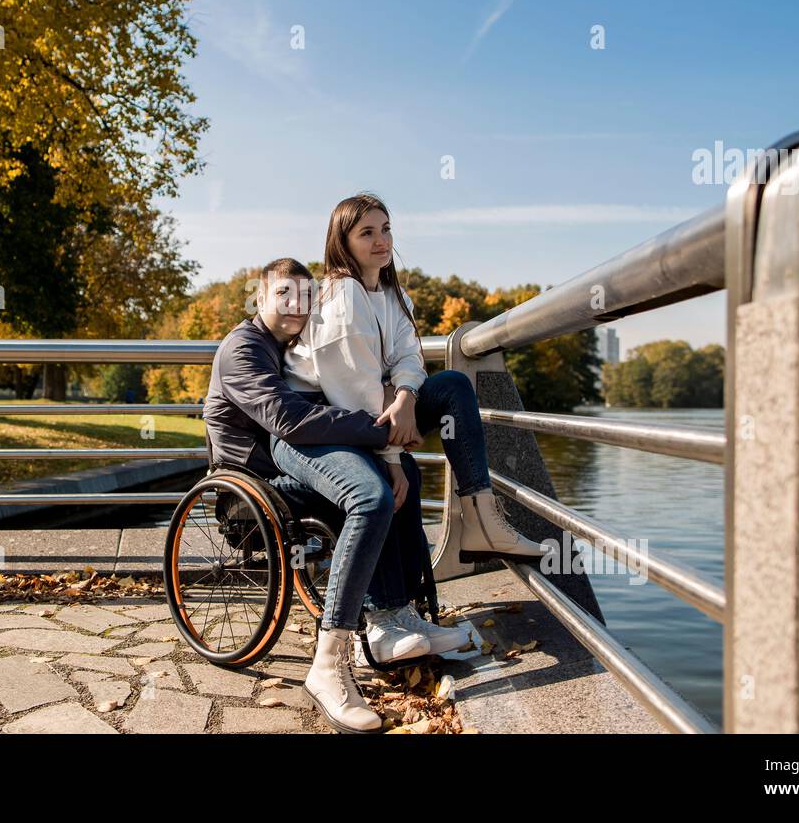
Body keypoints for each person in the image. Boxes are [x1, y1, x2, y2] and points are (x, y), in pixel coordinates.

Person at [276, 193, 549, 652]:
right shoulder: (339, 295)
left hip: (374, 404)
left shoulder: (392, 293)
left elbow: (408, 356)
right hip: (319, 415)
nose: (382, 241)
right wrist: (394, 456)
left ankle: (482, 515)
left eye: (386, 229)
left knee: (454, 388)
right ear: (342, 242)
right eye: (367, 232)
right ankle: (386, 619)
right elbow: (350, 388)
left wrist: (404, 397)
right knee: (389, 485)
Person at [203, 257, 448, 733]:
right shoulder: (243, 350)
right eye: (283, 294)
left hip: (287, 468)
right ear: (259, 298)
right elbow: (288, 420)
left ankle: (397, 612)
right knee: (369, 494)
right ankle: (333, 659)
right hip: (253, 485)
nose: (296, 304)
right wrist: (380, 431)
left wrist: (393, 415)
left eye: (306, 295)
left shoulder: (294, 348)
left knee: (404, 478)